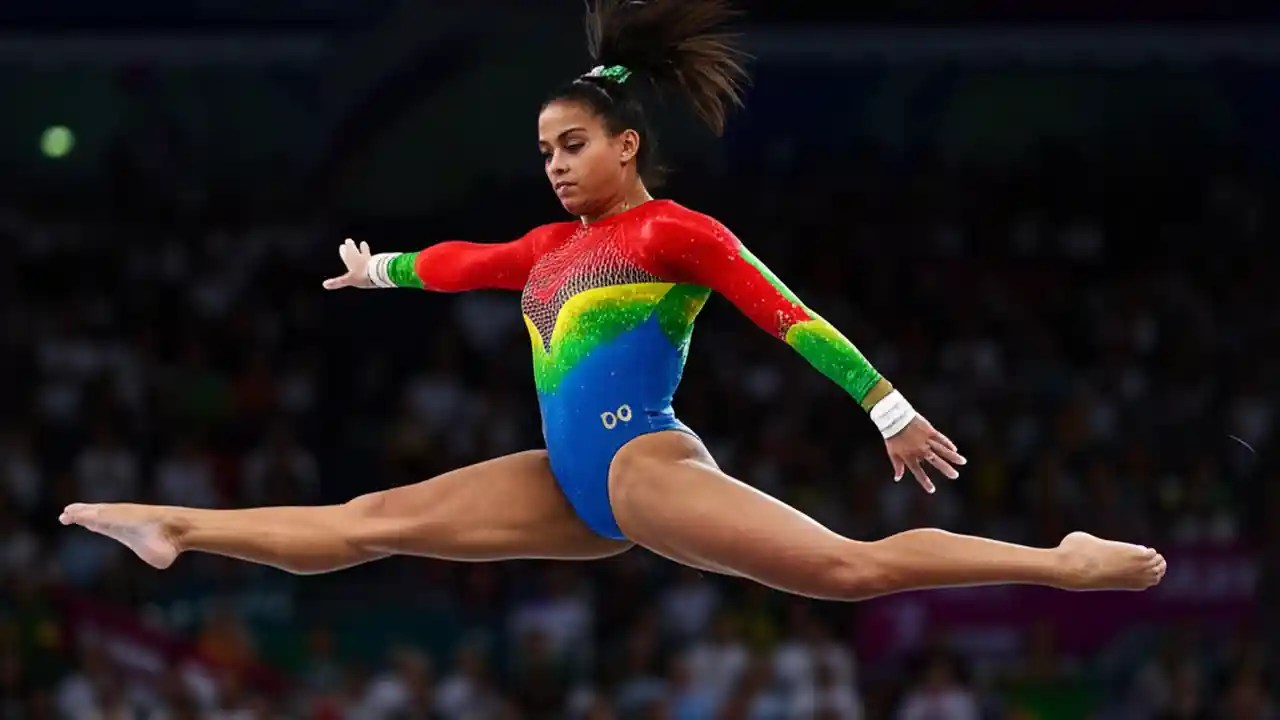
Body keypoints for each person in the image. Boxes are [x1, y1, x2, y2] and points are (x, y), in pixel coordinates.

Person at [60, 0, 1166, 598]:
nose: (552, 162)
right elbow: (460, 259)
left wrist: (887, 409)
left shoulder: (672, 233)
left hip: (643, 463)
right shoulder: (545, 245)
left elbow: (784, 311)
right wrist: (378, 271)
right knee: (370, 526)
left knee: (842, 567)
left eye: (572, 143)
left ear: (626, 144)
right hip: (570, 485)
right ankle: (176, 527)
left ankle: (1057, 561)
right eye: (542, 148)